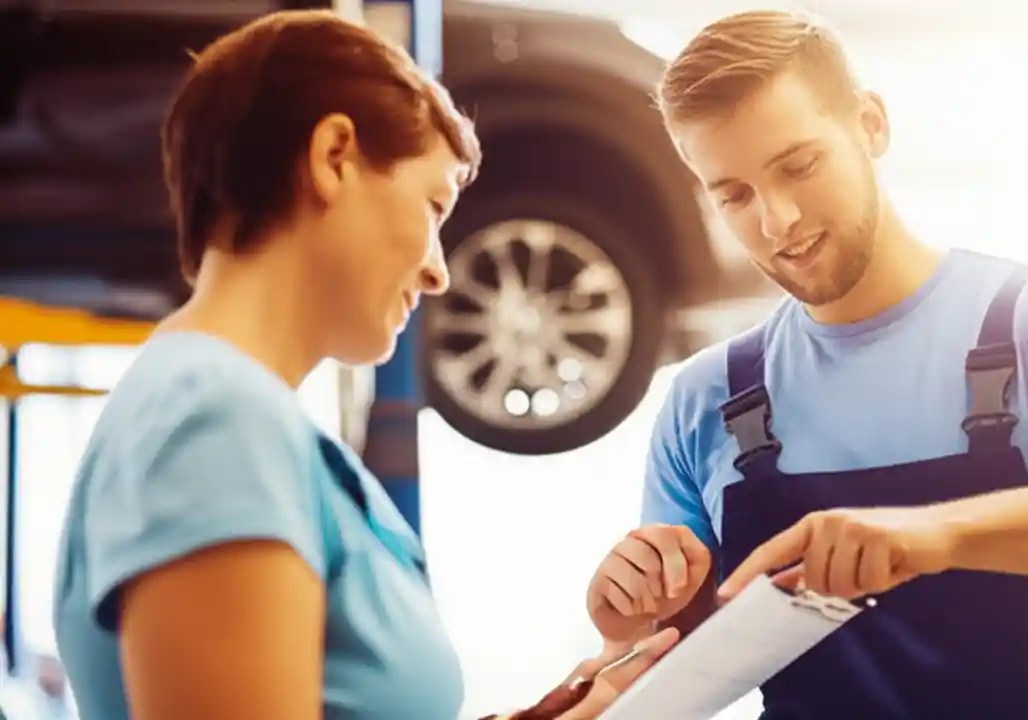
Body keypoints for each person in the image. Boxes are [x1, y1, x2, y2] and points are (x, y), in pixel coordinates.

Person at [586, 9, 1028, 719]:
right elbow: (673, 673)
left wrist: (935, 535)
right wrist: (633, 627)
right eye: (733, 195)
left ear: (871, 124)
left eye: (799, 165)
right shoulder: (708, 401)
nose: (778, 220)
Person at [50, 10, 678, 720]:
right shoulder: (215, 422)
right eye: (433, 207)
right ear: (334, 157)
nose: (439, 271)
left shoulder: (234, 419)